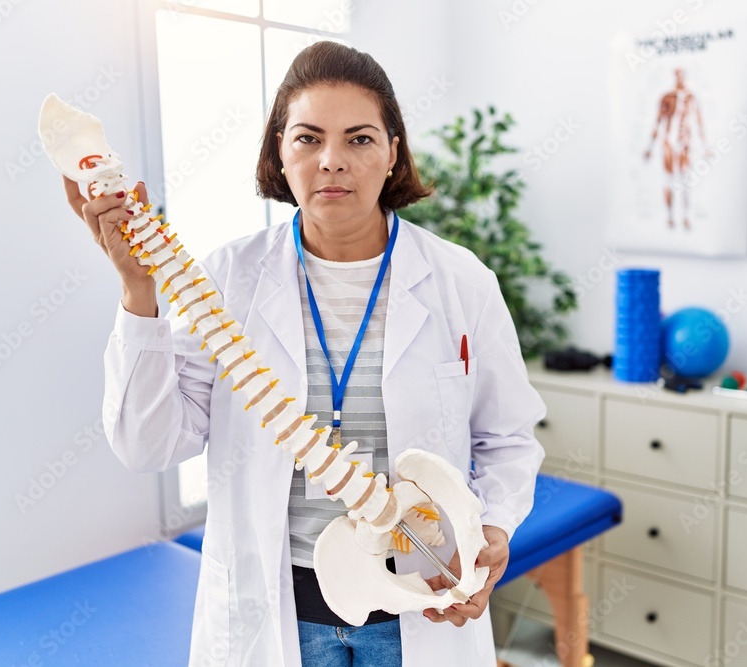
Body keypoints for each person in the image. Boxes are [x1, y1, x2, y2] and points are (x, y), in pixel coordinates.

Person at [63, 40, 546, 667]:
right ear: (279, 154)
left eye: (360, 139)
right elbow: (146, 444)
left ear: (394, 150)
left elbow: (507, 440)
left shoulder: (462, 280)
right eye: (308, 138)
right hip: (277, 611)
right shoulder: (225, 281)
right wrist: (139, 289)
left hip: (417, 606)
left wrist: (492, 531)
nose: (333, 161)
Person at [643, 67, 708, 230]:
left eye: (682, 75)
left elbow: (698, 121)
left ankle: (685, 216)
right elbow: (658, 122)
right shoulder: (667, 97)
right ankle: (670, 216)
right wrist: (650, 147)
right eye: (678, 75)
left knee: (685, 180)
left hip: (685, 142)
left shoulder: (691, 97)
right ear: (675, 76)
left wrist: (704, 147)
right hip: (669, 142)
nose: (680, 78)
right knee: (669, 180)